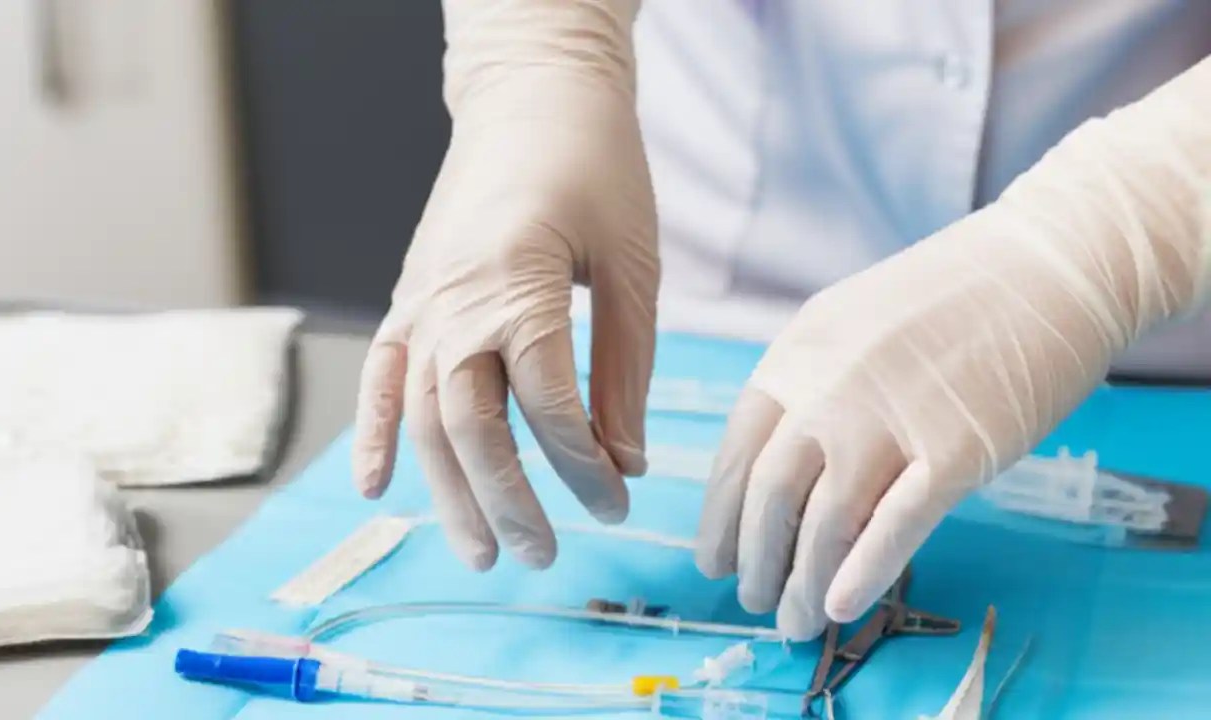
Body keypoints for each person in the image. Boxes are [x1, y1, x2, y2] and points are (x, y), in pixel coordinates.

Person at [351, 0, 1211, 640]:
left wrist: (1108, 237)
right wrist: (538, 67)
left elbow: (1124, 237)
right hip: (723, 282)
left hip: (1160, 312)